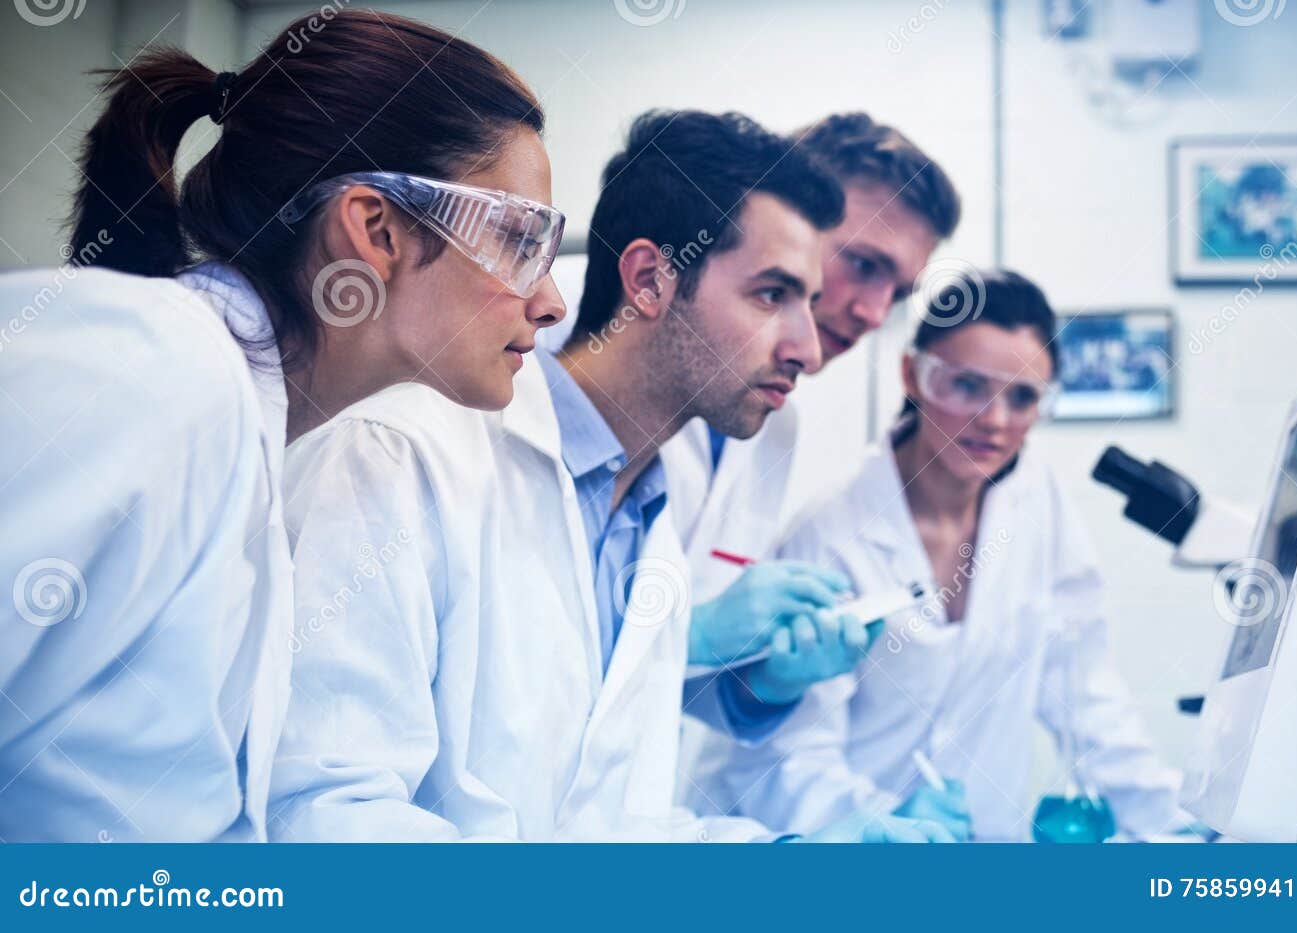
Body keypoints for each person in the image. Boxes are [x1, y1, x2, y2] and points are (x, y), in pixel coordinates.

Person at [269, 110, 953, 843]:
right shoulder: (400, 454)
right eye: (772, 294)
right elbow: (328, 815)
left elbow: (607, 821)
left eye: (808, 303)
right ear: (650, 279)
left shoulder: (645, 516)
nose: (809, 349)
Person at [0, 10, 565, 842]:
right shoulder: (156, 370)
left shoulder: (251, 443)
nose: (550, 300)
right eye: (522, 240)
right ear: (375, 230)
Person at [702, 270, 1186, 842]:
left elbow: (1087, 693)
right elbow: (786, 756)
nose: (996, 420)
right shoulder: (830, 533)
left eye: (1023, 397)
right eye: (967, 386)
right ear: (914, 375)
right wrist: (881, 826)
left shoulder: (1039, 504)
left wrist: (1175, 828)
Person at [670, 113, 959, 803]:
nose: (873, 311)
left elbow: (679, 688)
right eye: (864, 264)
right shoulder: (549, 355)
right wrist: (690, 633)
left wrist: (764, 683)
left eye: (899, 291)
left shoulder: (770, 423)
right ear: (791, 212)